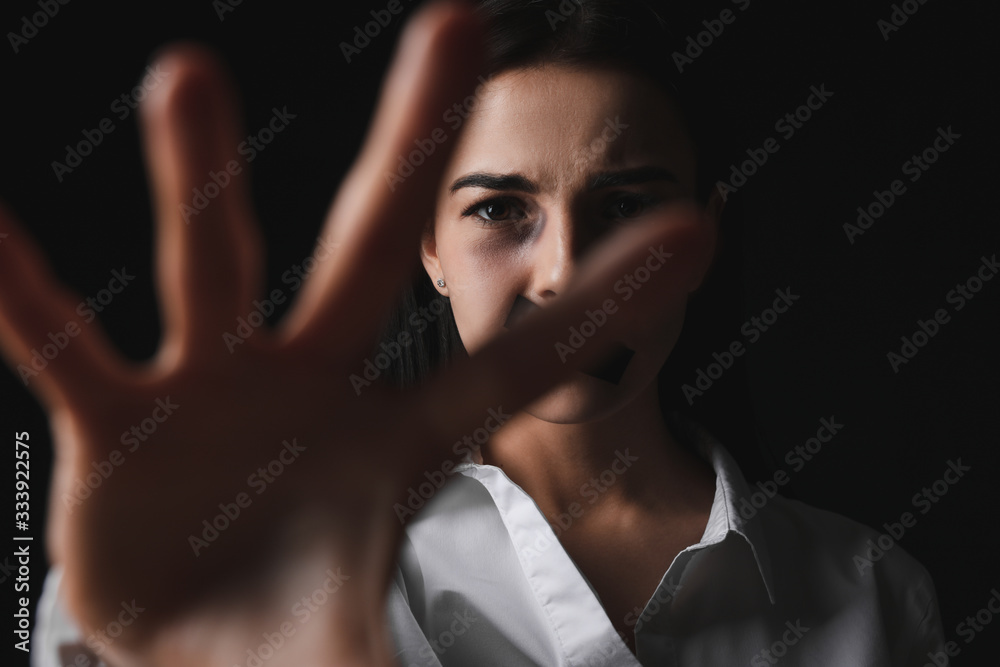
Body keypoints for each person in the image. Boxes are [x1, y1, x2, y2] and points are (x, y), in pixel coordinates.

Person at [1, 1, 943, 665]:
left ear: (706, 228)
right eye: (499, 210)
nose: (565, 273)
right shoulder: (282, 553)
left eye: (626, 206)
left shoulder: (873, 596)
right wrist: (120, 627)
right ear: (431, 251)